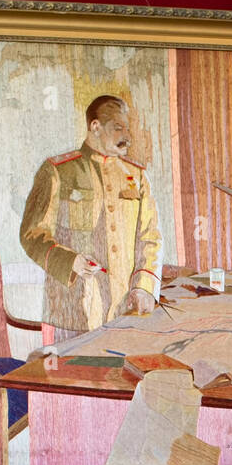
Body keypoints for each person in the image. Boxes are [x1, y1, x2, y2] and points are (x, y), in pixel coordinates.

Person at [20, 95, 163, 339]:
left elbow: (151, 237)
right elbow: (31, 234)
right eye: (118, 128)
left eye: (127, 128)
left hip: (124, 311)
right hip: (73, 313)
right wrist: (69, 261)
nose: (126, 136)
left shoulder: (136, 176)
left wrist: (145, 287)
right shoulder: (57, 171)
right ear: (95, 127)